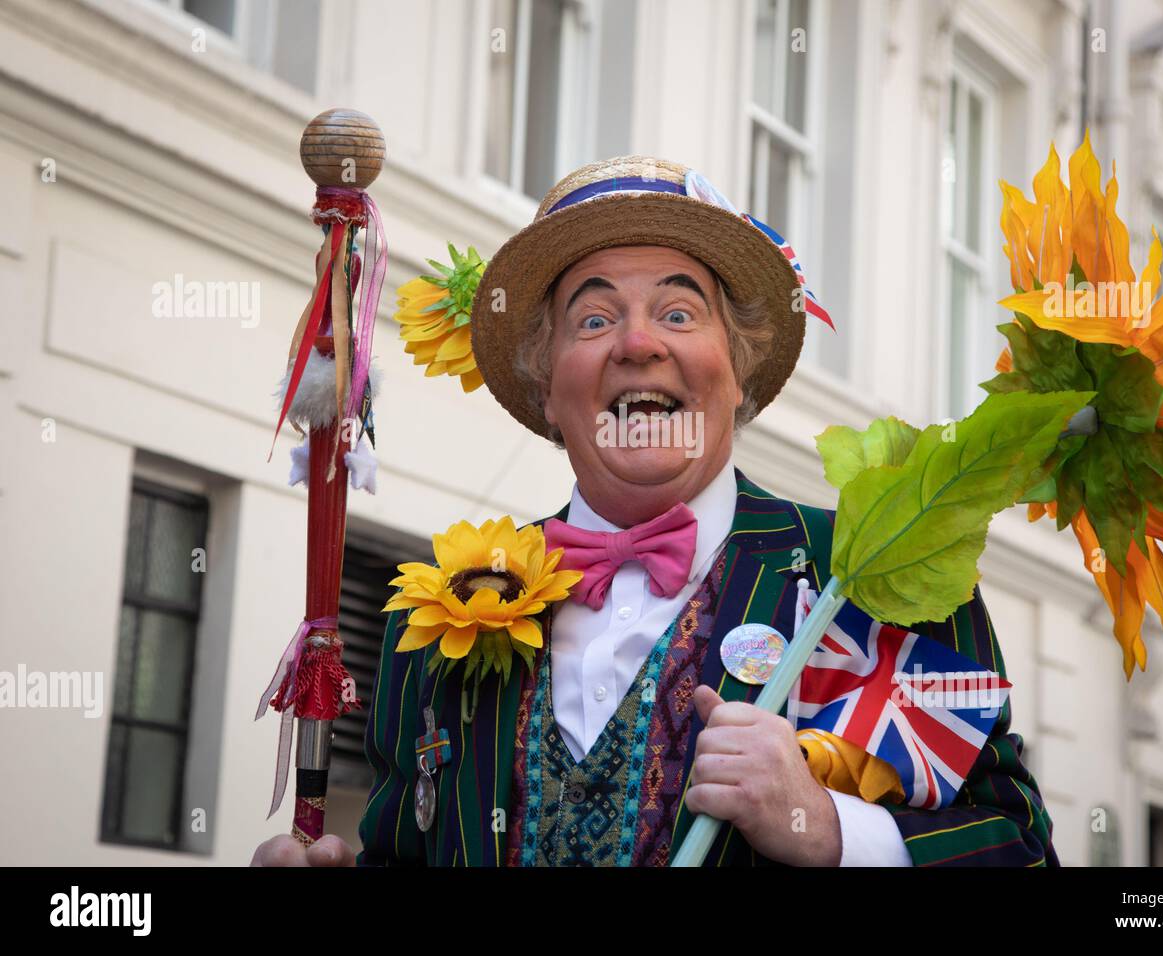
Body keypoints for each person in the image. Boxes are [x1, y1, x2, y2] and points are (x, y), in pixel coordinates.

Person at [252, 156, 1058, 867]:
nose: (638, 344)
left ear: (738, 373)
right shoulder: (435, 616)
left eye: (678, 313)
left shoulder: (875, 567)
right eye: (594, 319)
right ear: (547, 388)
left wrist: (822, 826)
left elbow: (1018, 846)